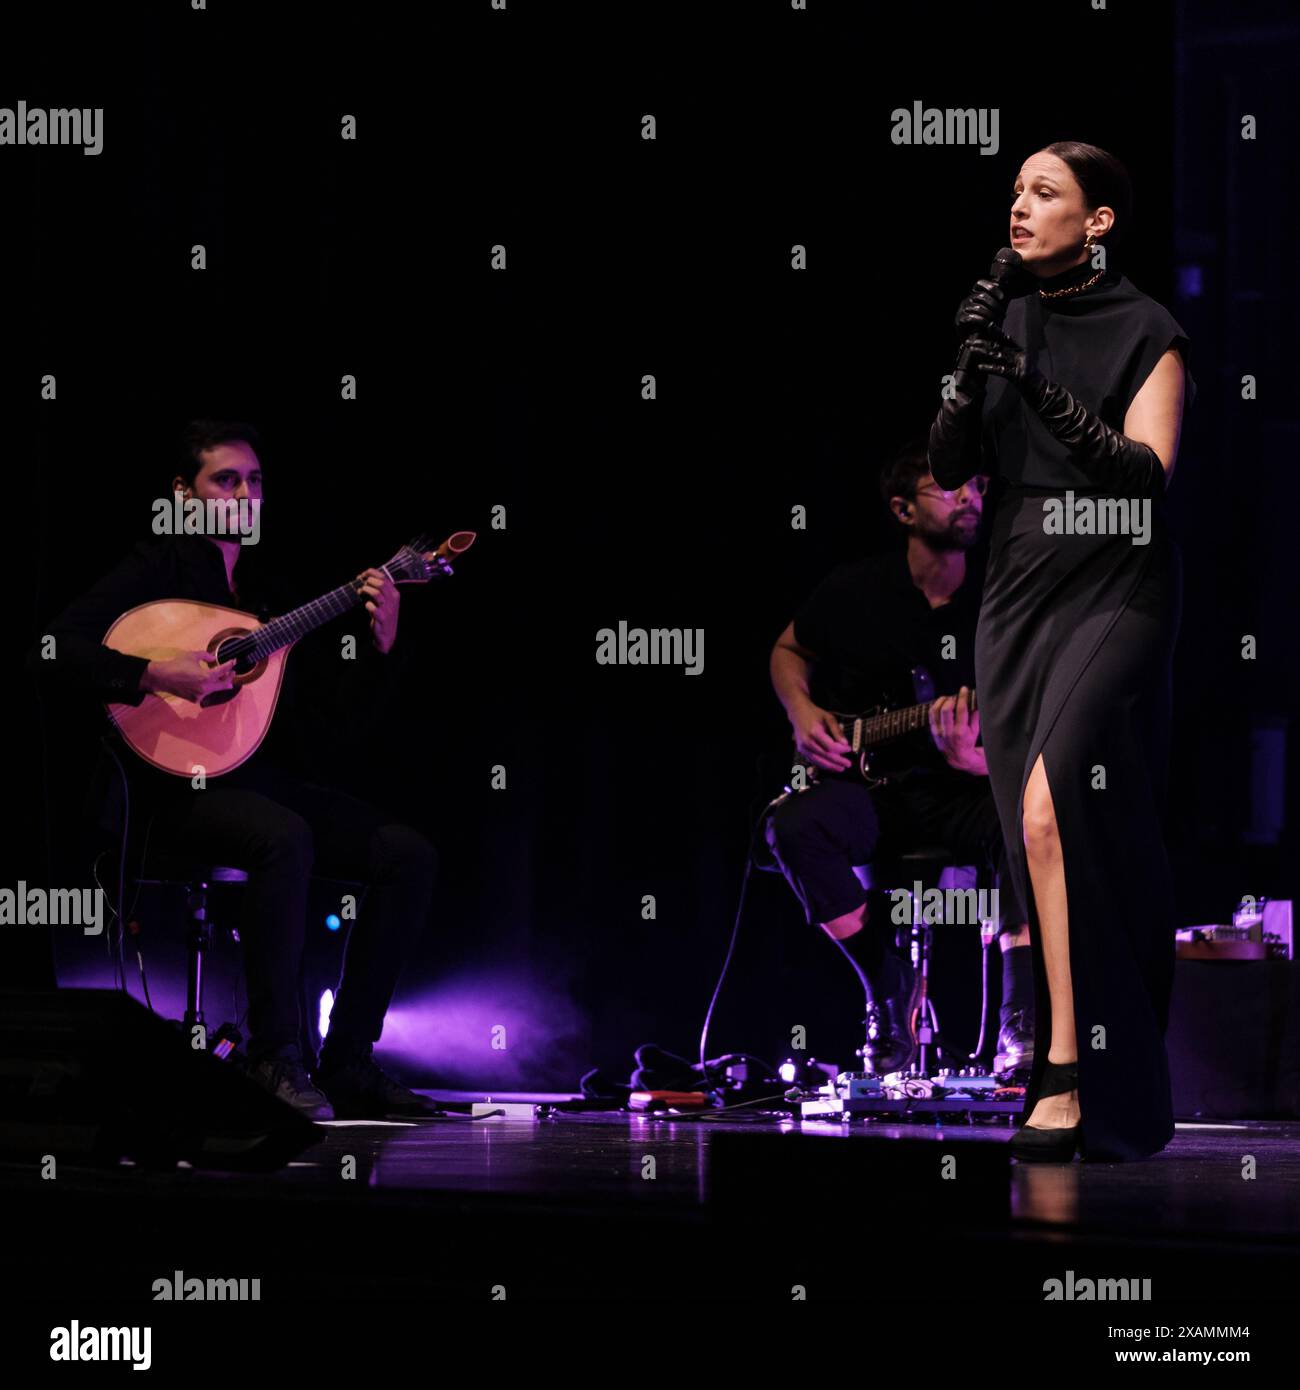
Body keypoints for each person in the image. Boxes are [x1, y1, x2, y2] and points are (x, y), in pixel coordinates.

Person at [27, 420, 440, 1123]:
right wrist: (152, 671)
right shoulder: (153, 567)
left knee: (408, 853)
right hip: (160, 795)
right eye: (227, 479)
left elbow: (335, 734)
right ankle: (274, 1055)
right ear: (183, 492)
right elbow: (51, 648)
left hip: (247, 782)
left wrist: (384, 645)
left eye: (255, 481)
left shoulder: (268, 594)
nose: (245, 493)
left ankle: (347, 1062)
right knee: (283, 836)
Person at [929, 141, 1195, 1162]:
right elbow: (951, 465)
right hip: (1015, 585)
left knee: (1057, 802)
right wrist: (967, 371)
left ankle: (1086, 1071)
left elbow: (1142, 478)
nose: (1018, 207)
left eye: (1044, 192)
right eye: (1013, 192)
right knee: (1029, 831)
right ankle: (1057, 1059)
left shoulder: (1148, 331)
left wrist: (1032, 384)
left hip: (1116, 582)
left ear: (1097, 220)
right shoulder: (1004, 318)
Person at [766, 440, 1032, 1076]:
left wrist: (983, 760)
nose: (970, 497)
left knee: (1025, 827)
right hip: (877, 791)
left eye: (976, 486)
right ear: (902, 509)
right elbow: (787, 651)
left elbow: (1042, 707)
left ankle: (1020, 1024)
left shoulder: (1005, 593)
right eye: (949, 488)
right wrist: (803, 715)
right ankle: (886, 987)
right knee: (792, 825)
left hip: (967, 790)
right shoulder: (858, 589)